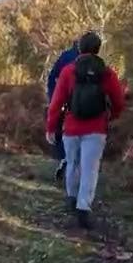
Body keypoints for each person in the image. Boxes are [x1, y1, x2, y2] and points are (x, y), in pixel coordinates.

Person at [45, 31, 126, 230]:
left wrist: (51, 126)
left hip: (71, 128)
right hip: (96, 129)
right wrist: (112, 116)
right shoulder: (106, 72)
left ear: (79, 48)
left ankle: (71, 199)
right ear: (98, 48)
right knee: (90, 168)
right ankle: (83, 208)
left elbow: (57, 102)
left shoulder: (68, 71)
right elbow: (119, 100)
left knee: (72, 163)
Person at [46, 38, 80, 180]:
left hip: (65, 102)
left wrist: (53, 96)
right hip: (86, 106)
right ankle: (73, 163)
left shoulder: (65, 56)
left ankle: (66, 159)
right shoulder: (95, 61)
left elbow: (52, 77)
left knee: (63, 132)